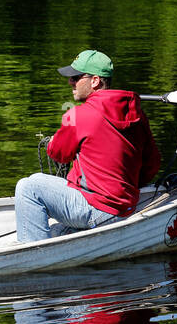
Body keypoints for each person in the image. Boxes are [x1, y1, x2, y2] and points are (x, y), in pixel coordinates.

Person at [14, 50, 161, 243]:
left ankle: (32, 257)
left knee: (28, 187)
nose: (70, 82)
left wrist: (52, 142)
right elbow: (152, 165)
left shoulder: (77, 115)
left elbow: (58, 154)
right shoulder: (137, 115)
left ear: (95, 81)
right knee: (54, 227)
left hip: (96, 209)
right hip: (125, 208)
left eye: (75, 78)